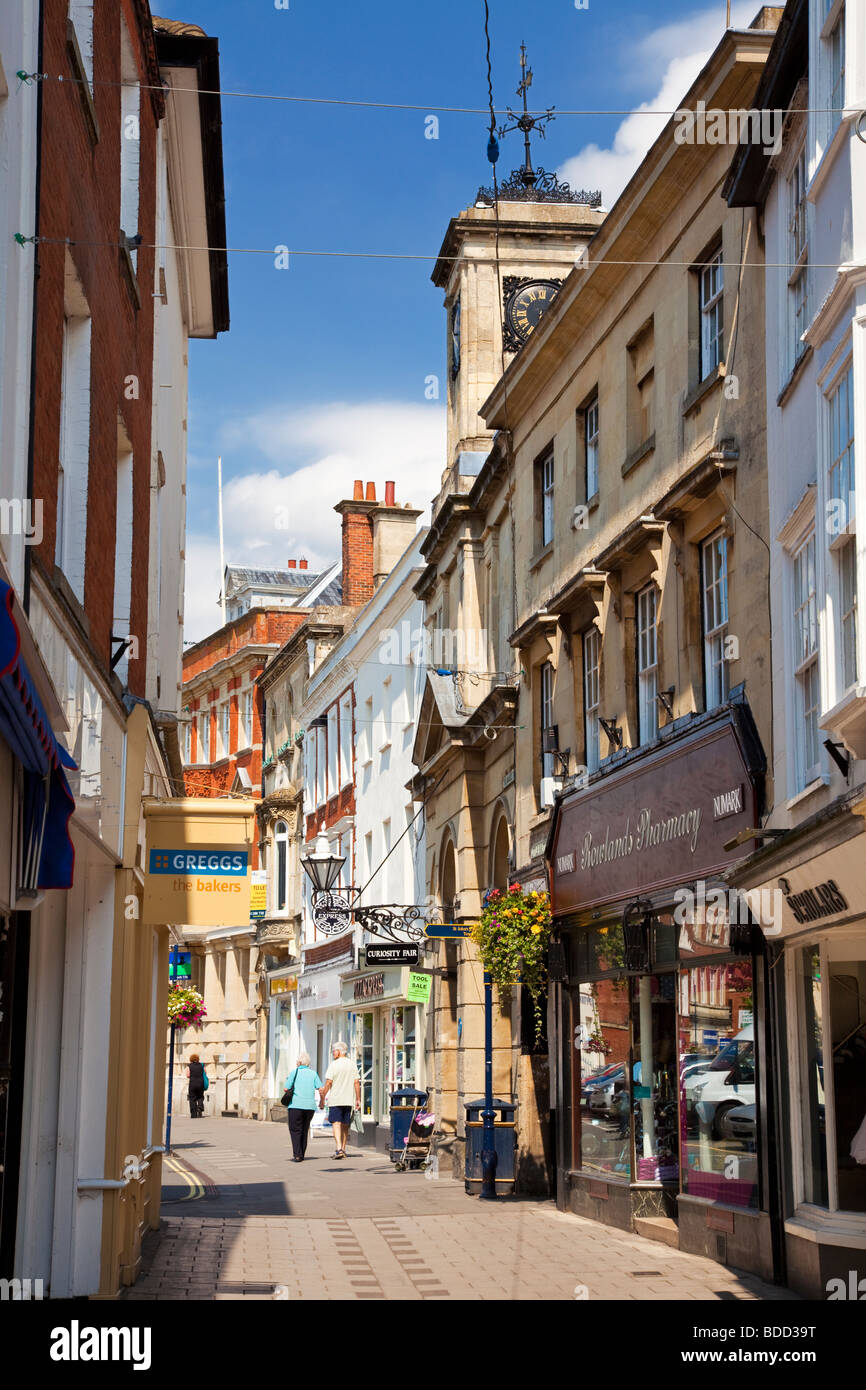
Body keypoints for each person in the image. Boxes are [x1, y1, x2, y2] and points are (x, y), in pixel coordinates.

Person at [318, 1041, 361, 1159]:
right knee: (345, 1124)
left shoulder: (334, 1065)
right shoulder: (352, 1064)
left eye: (334, 1051)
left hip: (336, 1099)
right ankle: (343, 1148)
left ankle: (338, 1149)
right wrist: (358, 1099)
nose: (333, 1053)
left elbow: (329, 1082)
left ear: (338, 1051)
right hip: (348, 1099)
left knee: (336, 1123)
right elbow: (357, 1082)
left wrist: (323, 1097)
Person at [285, 1051, 322, 1162]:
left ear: (300, 1062)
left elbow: (286, 1088)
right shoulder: (313, 1073)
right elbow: (320, 1088)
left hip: (296, 1105)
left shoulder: (294, 1072)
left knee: (295, 1129)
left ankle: (297, 1154)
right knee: (304, 1130)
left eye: (297, 1061)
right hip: (309, 1107)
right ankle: (302, 1153)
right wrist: (322, 1101)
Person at [186, 1053, 206, 1118]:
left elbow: (188, 1075)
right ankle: (200, 1108)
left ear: (191, 1059)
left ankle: (193, 1114)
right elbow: (205, 1072)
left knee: (192, 1098)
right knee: (200, 1096)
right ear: (198, 1059)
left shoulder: (189, 1066)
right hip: (200, 1083)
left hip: (192, 1083)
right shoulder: (202, 1065)